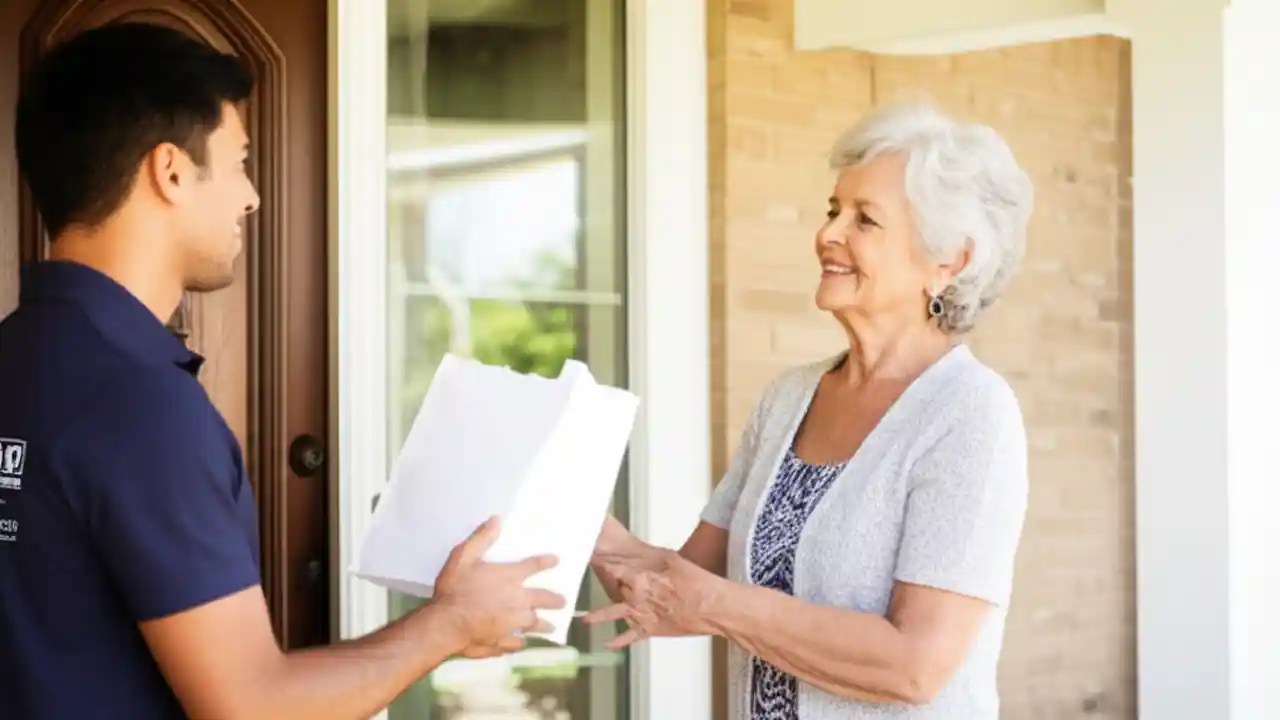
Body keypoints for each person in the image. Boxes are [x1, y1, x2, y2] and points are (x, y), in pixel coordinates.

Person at [0, 22, 562, 720]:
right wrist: (451, 623)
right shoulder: (142, 405)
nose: (251, 196)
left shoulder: (20, 358)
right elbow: (253, 706)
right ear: (170, 171)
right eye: (238, 162)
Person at [586, 101, 1034, 719]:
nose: (828, 235)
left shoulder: (969, 413)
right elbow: (671, 593)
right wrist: (567, 505)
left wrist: (715, 605)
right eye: (833, 211)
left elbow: (915, 665)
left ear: (949, 261)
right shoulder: (788, 399)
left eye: (865, 219)